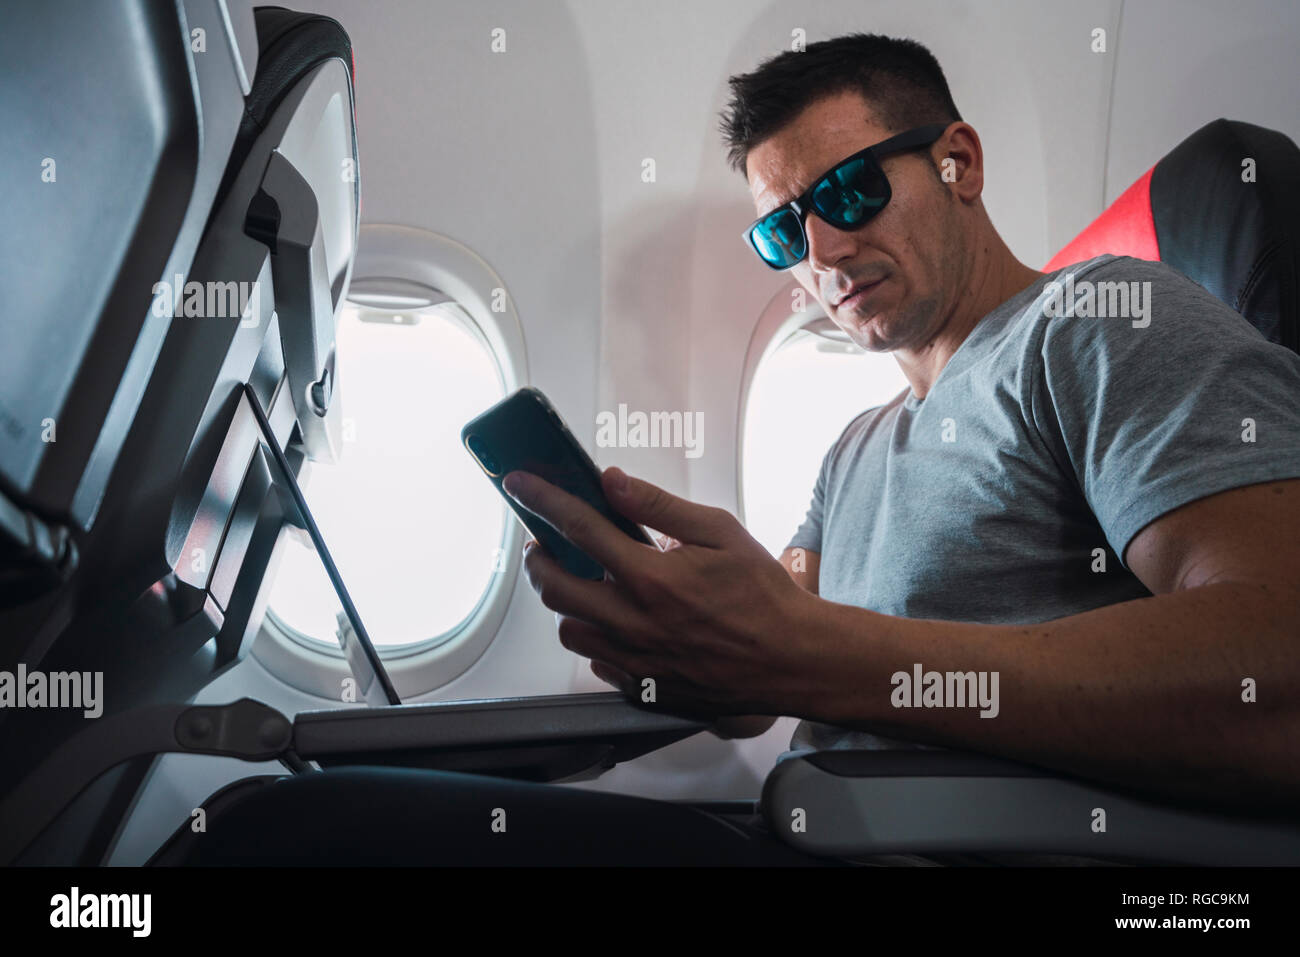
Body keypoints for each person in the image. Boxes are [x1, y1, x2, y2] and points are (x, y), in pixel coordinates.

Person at [506, 32, 1300, 815]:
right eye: (783, 230)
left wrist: (805, 658)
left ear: (960, 162)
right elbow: (763, 671)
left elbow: (1274, 667)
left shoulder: (1097, 323)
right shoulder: (851, 447)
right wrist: (666, 616)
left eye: (849, 189)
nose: (821, 250)